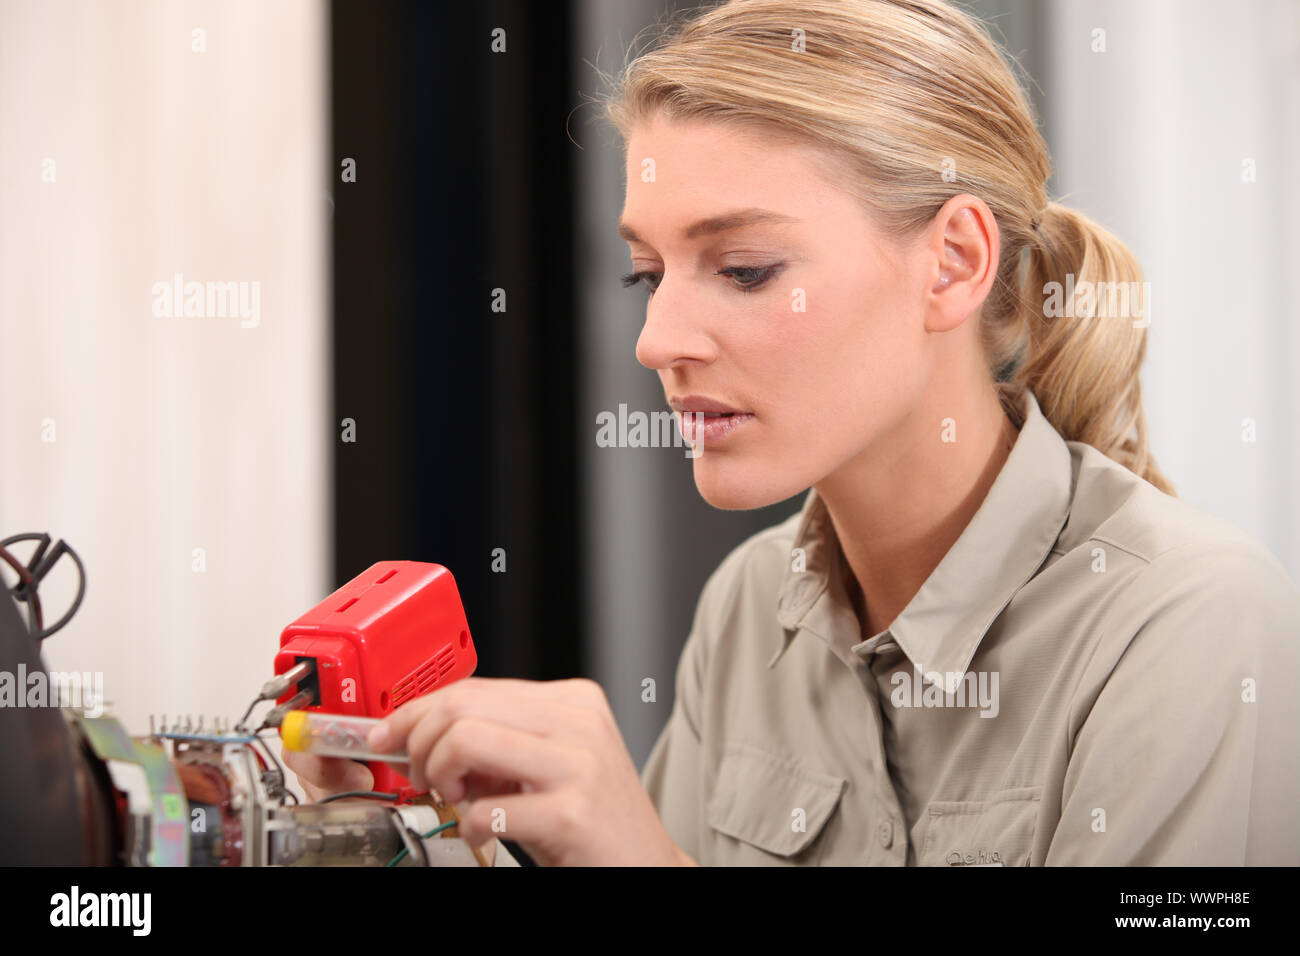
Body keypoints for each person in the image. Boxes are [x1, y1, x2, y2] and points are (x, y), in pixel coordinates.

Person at [285, 0, 1300, 865]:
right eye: (647, 273)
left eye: (743, 269)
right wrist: (426, 832)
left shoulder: (1191, 625)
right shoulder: (747, 609)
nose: (655, 340)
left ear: (950, 263)